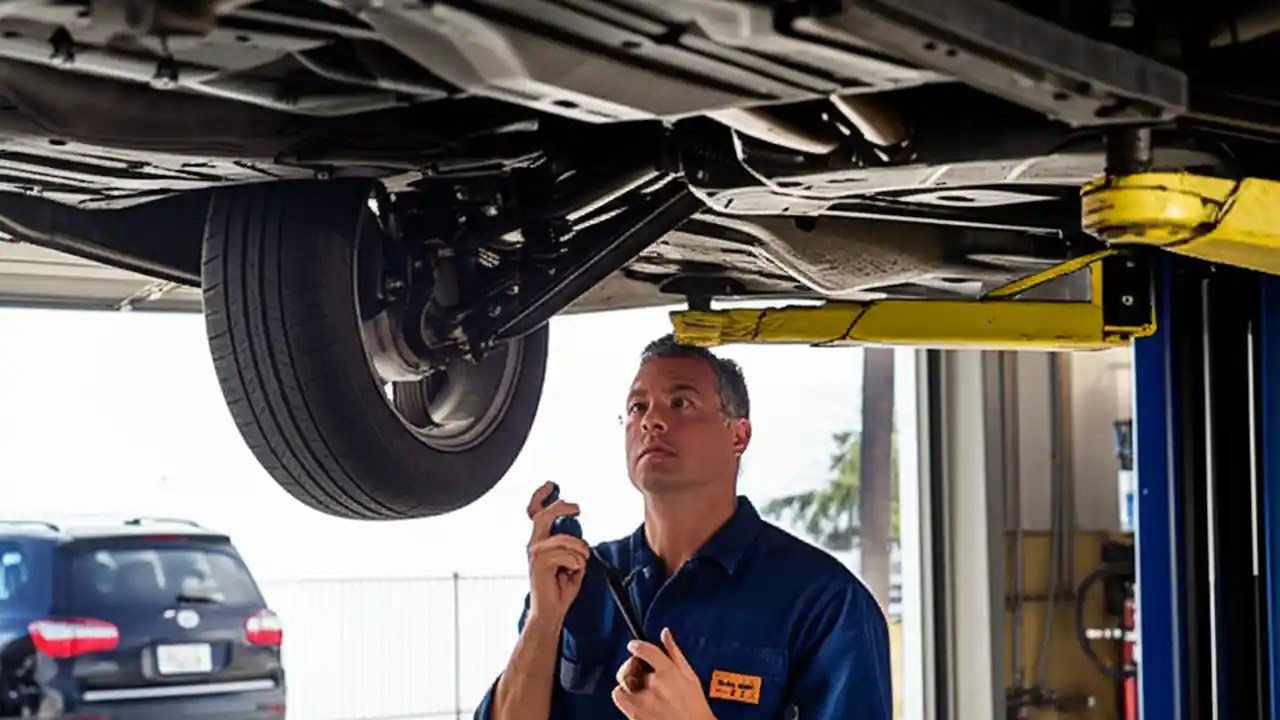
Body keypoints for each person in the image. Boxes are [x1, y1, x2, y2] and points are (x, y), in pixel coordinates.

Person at [475, 334, 892, 719]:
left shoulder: (826, 606)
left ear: (739, 435)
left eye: (681, 403)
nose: (651, 420)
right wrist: (544, 621)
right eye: (638, 406)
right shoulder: (576, 583)